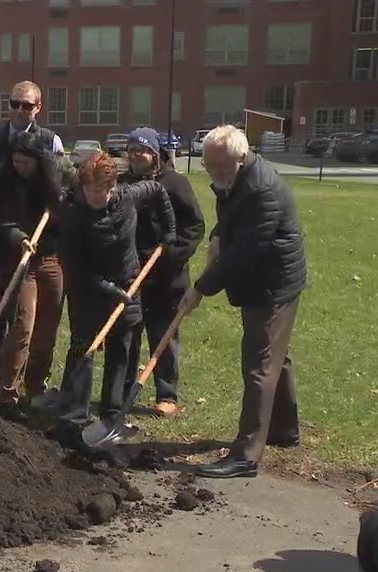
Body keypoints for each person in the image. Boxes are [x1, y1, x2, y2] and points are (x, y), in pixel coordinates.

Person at [181, 124, 307, 479]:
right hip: (260, 274)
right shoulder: (233, 176)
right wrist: (218, 235)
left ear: (242, 156)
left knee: (260, 362)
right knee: (274, 357)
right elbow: (231, 221)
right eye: (209, 166)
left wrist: (201, 288)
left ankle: (246, 455)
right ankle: (283, 430)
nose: (215, 173)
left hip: (273, 282)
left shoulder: (263, 188)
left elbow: (246, 252)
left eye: (220, 167)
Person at [57, 153, 174, 427]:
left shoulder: (129, 196)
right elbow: (75, 268)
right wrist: (107, 289)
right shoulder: (74, 217)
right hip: (89, 289)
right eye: (89, 190)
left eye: (101, 191)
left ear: (113, 187)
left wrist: (169, 230)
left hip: (129, 282)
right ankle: (75, 412)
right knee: (84, 346)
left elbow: (158, 190)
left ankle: (112, 414)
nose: (94, 196)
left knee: (122, 350)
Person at [119, 127, 205, 418]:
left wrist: (171, 255)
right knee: (129, 333)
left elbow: (194, 226)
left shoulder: (175, 184)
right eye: (131, 150)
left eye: (141, 150)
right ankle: (124, 389)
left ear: (155, 154)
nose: (135, 155)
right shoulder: (125, 184)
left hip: (166, 274)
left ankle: (166, 394)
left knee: (163, 334)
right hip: (132, 272)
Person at [0, 130, 63, 406]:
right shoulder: (3, 182)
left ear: (38, 161)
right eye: (16, 162)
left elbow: (74, 193)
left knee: (48, 324)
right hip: (19, 260)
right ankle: (8, 391)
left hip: (50, 257)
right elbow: (0, 222)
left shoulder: (53, 178)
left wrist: (61, 204)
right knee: (23, 324)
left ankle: (36, 385)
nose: (20, 167)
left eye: (26, 163)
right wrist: (20, 238)